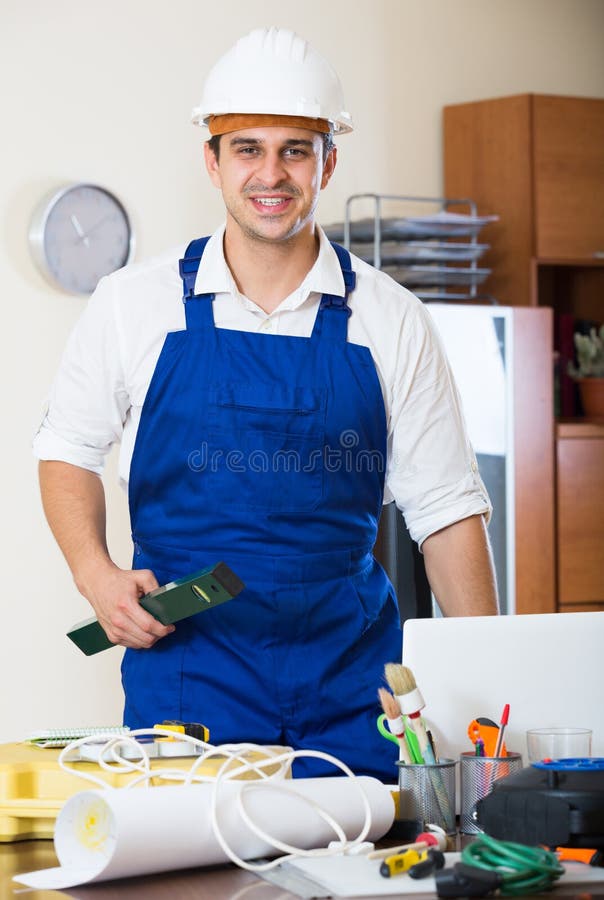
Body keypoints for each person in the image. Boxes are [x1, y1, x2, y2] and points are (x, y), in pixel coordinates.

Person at [34, 27, 498, 781]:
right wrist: (97, 575)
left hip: (355, 682)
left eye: (295, 149)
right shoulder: (133, 305)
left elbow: (445, 512)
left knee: (367, 872)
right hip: (190, 674)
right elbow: (66, 450)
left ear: (329, 160)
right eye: (247, 148)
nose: (270, 174)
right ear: (211, 160)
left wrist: (491, 691)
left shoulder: (391, 318)